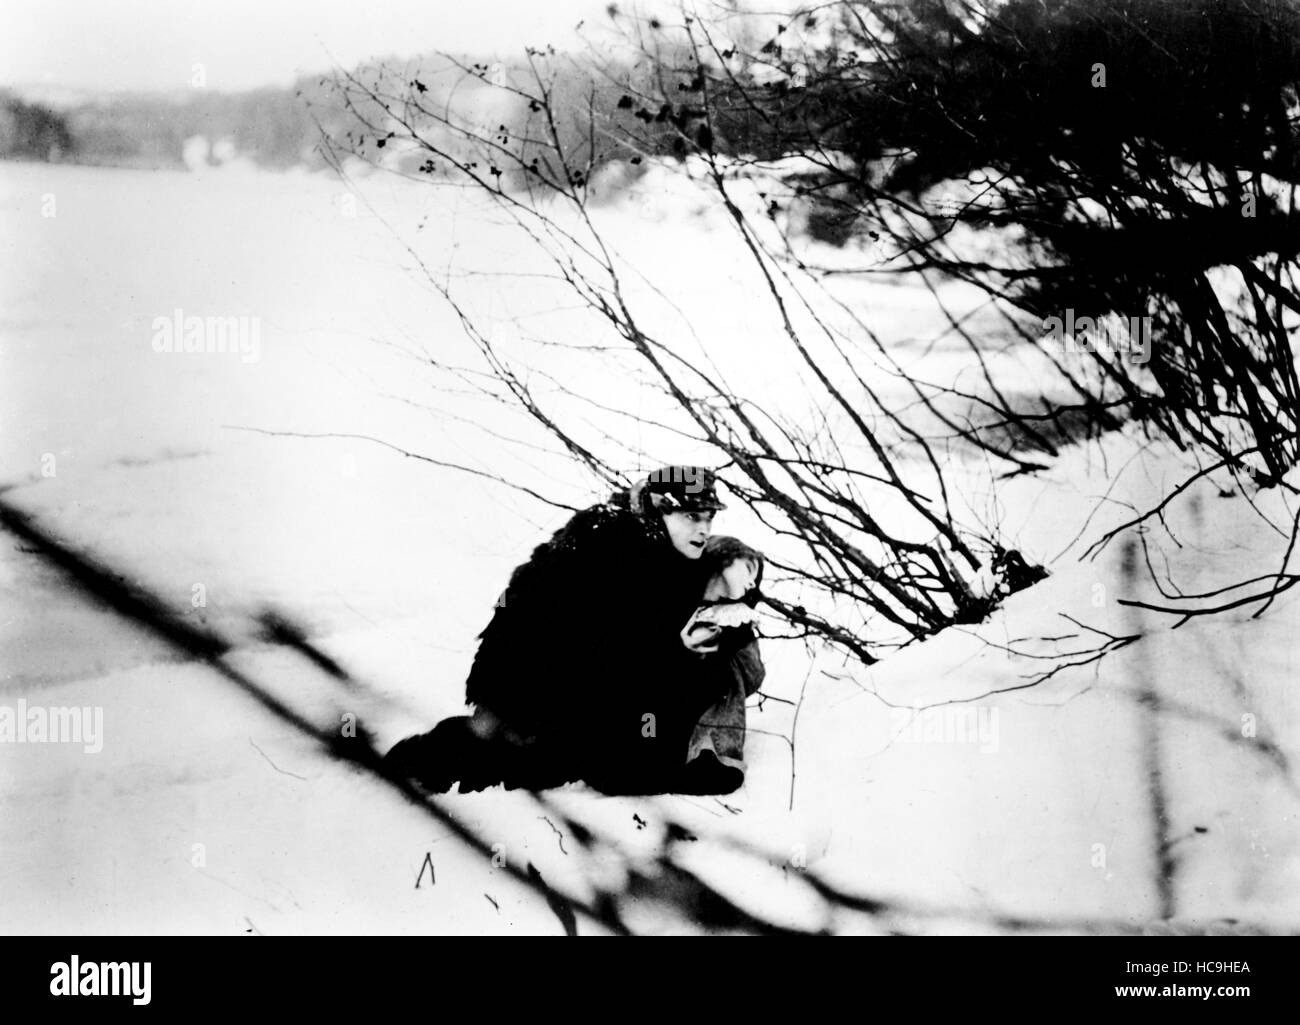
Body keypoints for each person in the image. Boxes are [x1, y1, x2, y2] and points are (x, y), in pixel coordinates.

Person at [384, 465, 735, 794]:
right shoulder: (610, 542)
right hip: (533, 683)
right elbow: (602, 647)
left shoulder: (668, 553)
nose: (703, 529)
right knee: (526, 757)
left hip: (569, 685)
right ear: (659, 508)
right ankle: (425, 760)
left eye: (708, 517)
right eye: (691, 516)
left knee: (542, 759)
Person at [676, 536, 766, 795]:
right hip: (650, 721)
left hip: (694, 714)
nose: (750, 582)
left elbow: (754, 677)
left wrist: (740, 636)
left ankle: (710, 751)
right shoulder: (675, 602)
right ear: (721, 563)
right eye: (747, 570)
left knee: (727, 675)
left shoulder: (734, 617)